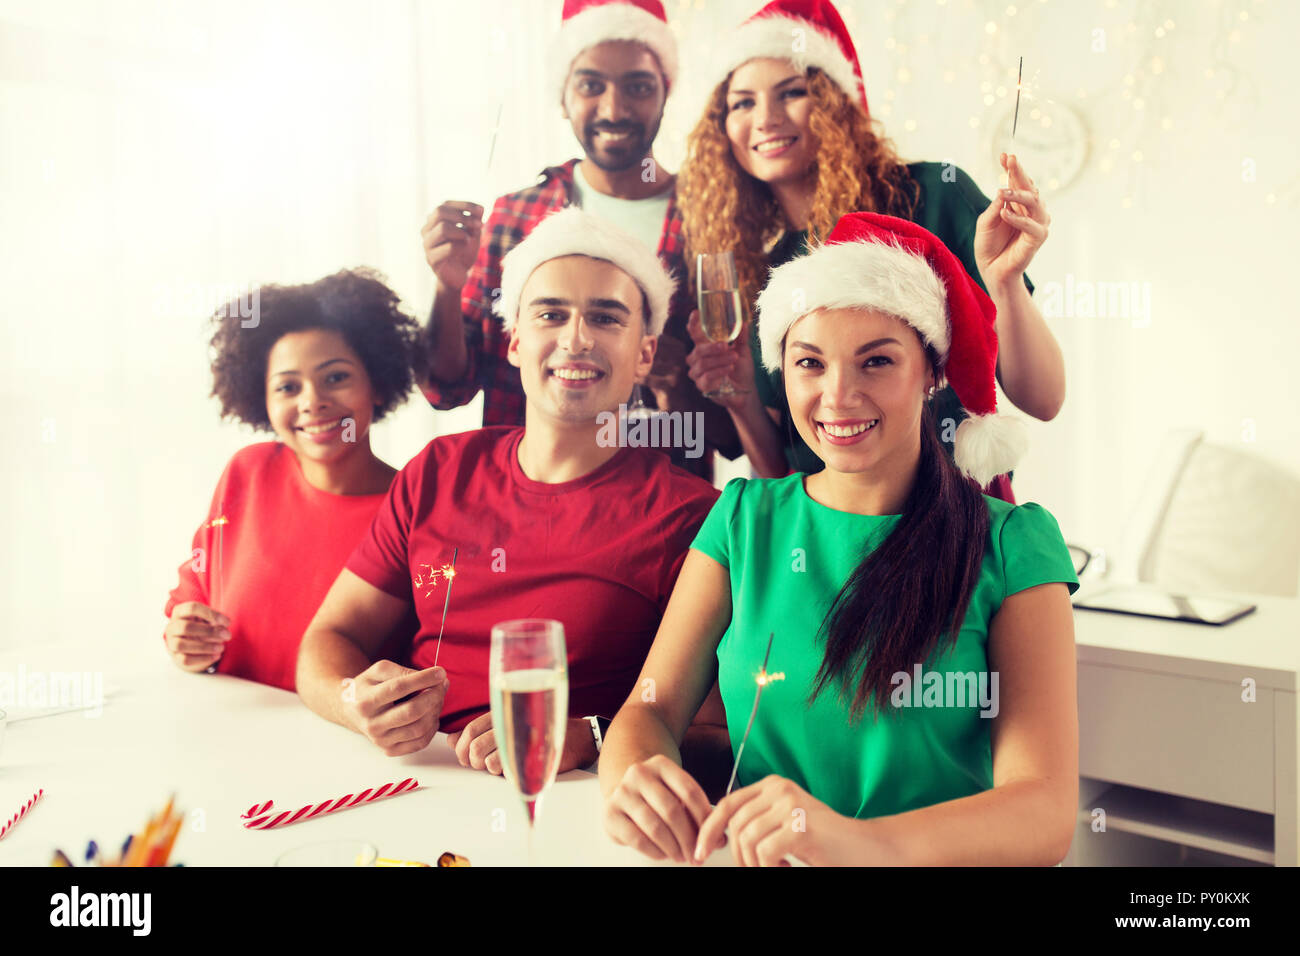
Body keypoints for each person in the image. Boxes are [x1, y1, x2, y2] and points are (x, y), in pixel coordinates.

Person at [599, 213, 1080, 866]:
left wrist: (857, 844)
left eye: (876, 361)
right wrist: (634, 778)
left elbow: (1045, 814)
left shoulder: (1014, 543)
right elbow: (649, 712)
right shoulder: (743, 517)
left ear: (931, 373)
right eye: (809, 363)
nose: (838, 394)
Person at [297, 209, 719, 774]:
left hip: (569, 804)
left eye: (606, 318)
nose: (575, 339)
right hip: (412, 785)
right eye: (551, 314)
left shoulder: (691, 515)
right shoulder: (438, 471)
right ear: (516, 340)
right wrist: (355, 703)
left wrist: (593, 736)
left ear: (643, 354)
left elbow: (720, 727)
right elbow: (329, 638)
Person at [677, 0, 1064, 500]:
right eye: (742, 102)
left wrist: (1006, 282)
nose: (766, 118)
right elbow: (784, 481)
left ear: (835, 103)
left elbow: (1044, 399)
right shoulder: (765, 269)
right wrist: (740, 398)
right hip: (831, 548)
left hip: (958, 523)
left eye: (791, 92)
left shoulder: (935, 196)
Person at [421, 0, 737, 478]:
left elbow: (736, 432)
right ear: (563, 98)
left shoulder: (713, 223)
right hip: (524, 497)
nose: (614, 108)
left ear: (665, 93)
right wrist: (446, 287)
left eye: (638, 86)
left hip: (663, 512)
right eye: (591, 85)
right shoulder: (514, 216)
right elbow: (448, 389)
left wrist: (683, 389)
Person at [163, 270, 422, 690]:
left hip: (346, 747)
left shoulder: (412, 511)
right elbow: (196, 588)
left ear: (376, 382)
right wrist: (186, 635)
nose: (312, 402)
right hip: (229, 732)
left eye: (335, 377)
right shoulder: (247, 473)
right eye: (287, 386)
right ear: (262, 399)